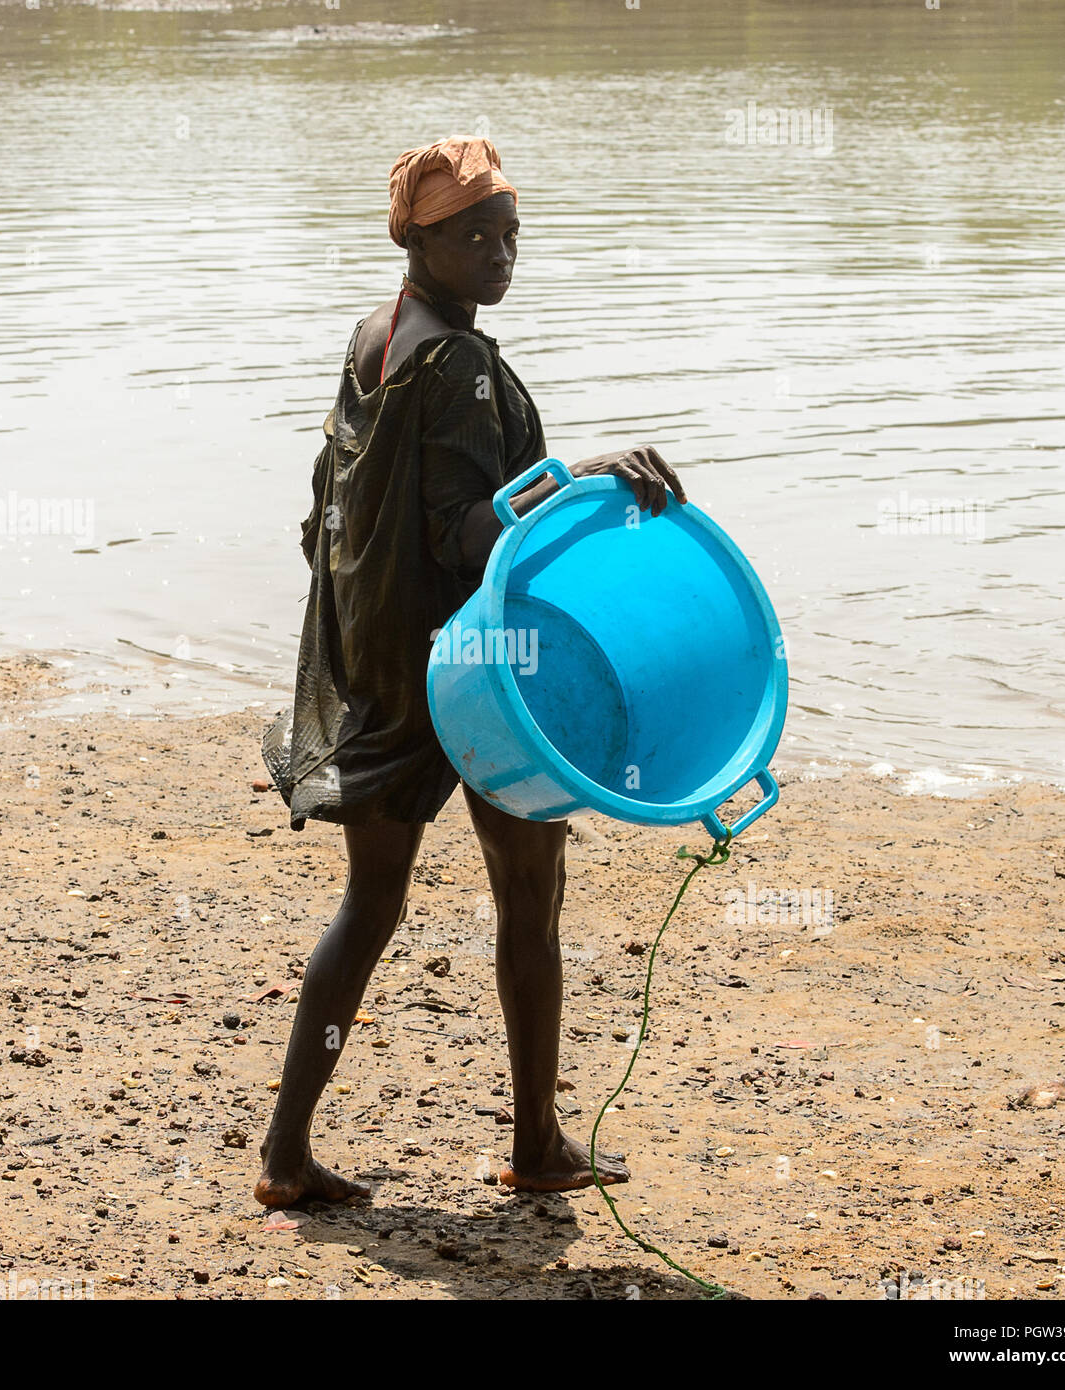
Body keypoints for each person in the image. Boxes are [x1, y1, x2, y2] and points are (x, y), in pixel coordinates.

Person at [256, 135, 686, 1207]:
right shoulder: (459, 368)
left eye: (509, 234)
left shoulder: (378, 335)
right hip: (475, 670)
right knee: (529, 897)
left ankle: (283, 1156)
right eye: (474, 236)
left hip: (387, 665)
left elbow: (334, 510)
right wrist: (584, 482)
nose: (500, 254)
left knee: (371, 904)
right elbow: (464, 535)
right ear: (419, 238)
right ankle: (535, 1144)